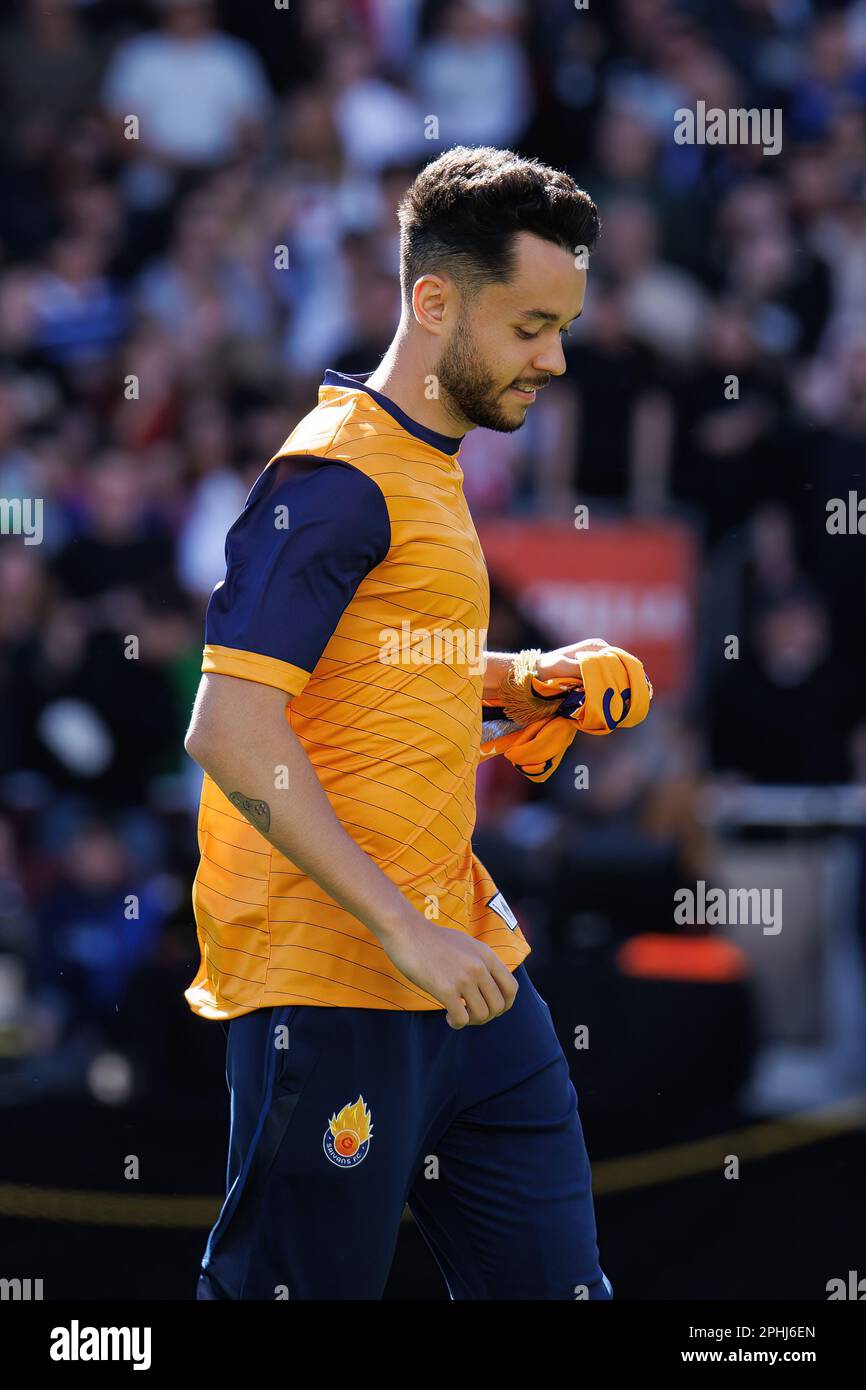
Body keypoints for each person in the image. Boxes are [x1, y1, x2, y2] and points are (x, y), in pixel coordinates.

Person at [183, 146, 616, 1300]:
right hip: (337, 977)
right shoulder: (333, 477)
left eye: (560, 326)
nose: (553, 357)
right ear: (433, 302)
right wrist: (396, 927)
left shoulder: (425, 465)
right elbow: (229, 727)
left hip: (466, 968)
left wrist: (522, 679)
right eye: (529, 325)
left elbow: (375, 669)